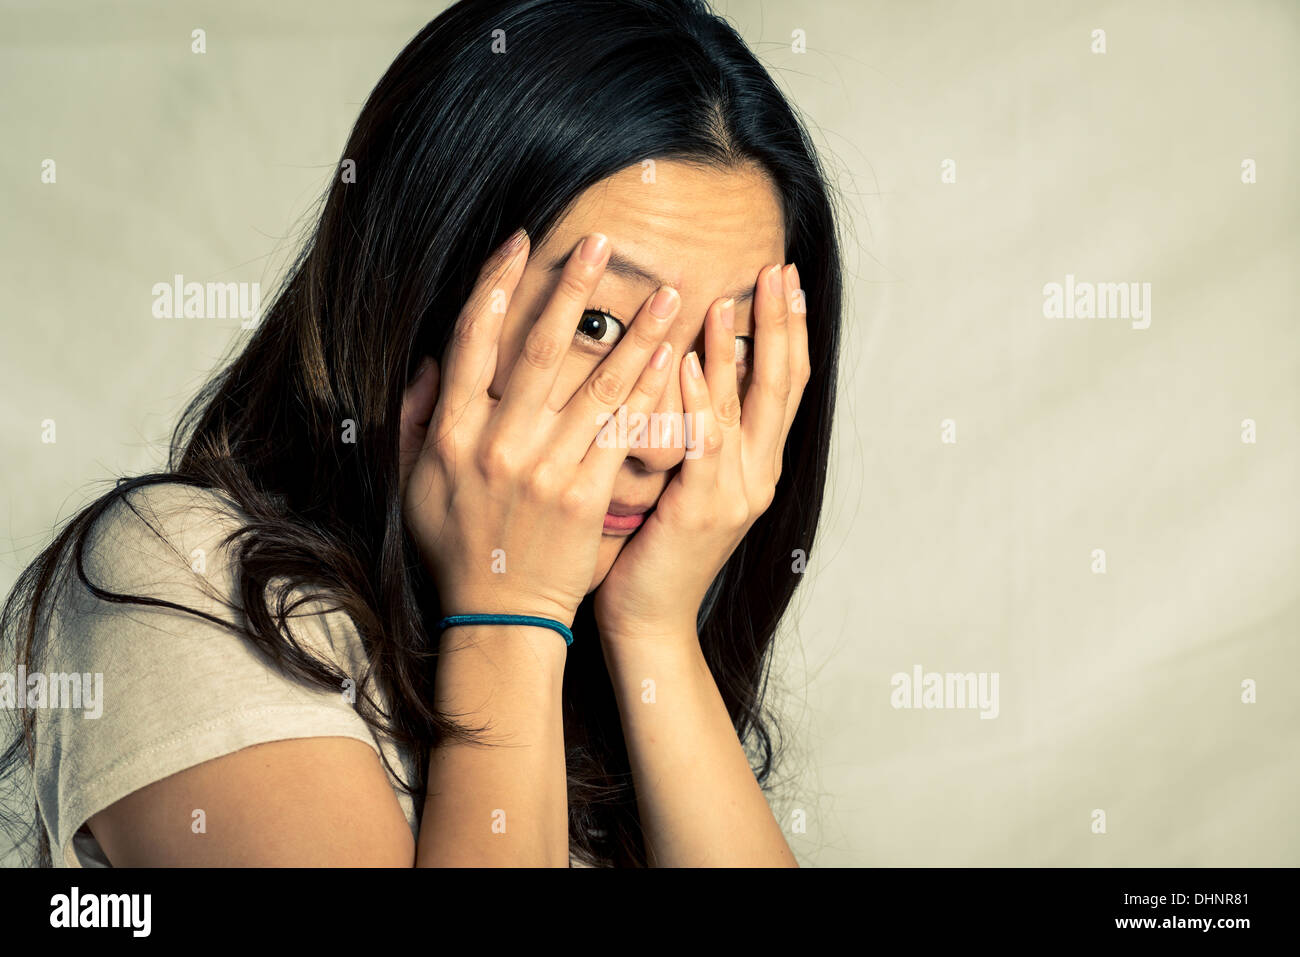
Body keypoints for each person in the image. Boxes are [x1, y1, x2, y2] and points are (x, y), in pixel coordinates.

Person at [0, 0, 842, 867]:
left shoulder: (618, 662)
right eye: (598, 324)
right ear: (429, 291)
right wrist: (511, 610)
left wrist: (656, 630)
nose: (665, 438)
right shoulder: (190, 575)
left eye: (727, 349)